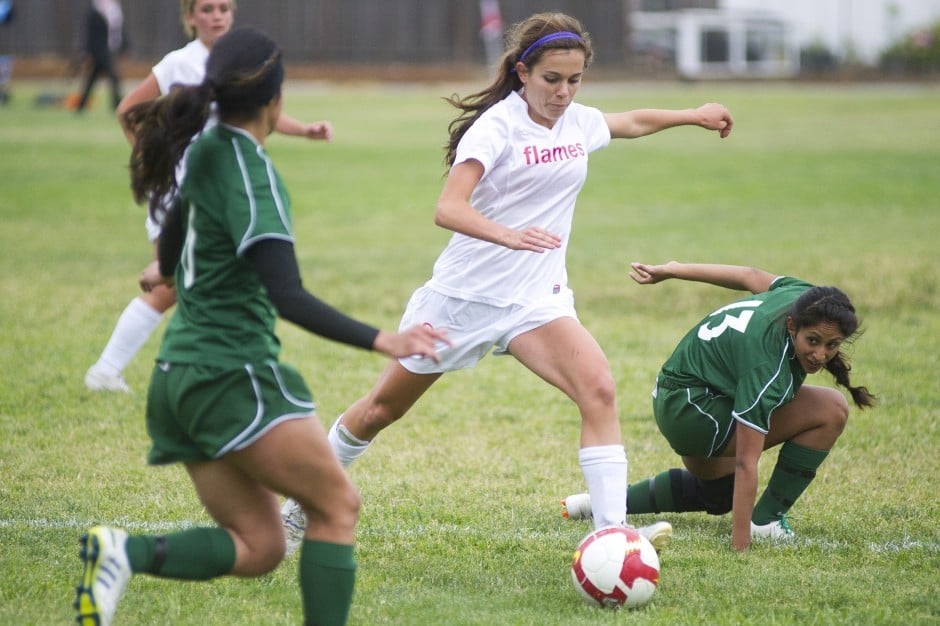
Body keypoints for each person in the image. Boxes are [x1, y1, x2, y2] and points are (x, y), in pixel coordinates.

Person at [279, 12, 734, 556]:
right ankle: (302, 502)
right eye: (552, 80)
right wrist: (508, 235)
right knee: (381, 409)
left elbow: (631, 121)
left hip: (535, 302)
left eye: (575, 80)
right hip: (464, 299)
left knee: (598, 388)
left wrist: (694, 115)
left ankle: (611, 533)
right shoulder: (497, 127)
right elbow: (448, 208)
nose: (563, 93)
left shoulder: (576, 122)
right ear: (523, 72)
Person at [73, 26, 448, 626]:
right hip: (229, 375)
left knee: (262, 545)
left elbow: (176, 221)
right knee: (337, 507)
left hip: (176, 378)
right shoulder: (254, 174)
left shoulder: (206, 146)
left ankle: (123, 552)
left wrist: (164, 267)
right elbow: (286, 294)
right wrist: (385, 339)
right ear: (275, 97)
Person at [85, 0, 334, 392]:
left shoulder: (235, 62)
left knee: (201, 282)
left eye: (223, 8)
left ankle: (205, 370)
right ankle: (107, 369)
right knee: (170, 285)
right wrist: (157, 160)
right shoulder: (177, 64)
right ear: (189, 17)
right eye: (206, 9)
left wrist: (304, 130)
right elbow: (128, 111)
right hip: (183, 191)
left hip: (218, 191)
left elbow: (260, 110)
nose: (216, 16)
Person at [561, 261, 875, 551]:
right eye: (813, 341)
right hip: (695, 411)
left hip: (678, 400)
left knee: (720, 493)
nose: (820, 355)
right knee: (831, 409)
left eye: (832, 345)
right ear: (792, 325)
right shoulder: (767, 365)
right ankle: (765, 522)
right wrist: (741, 547)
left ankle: (601, 504)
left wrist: (674, 269)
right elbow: (746, 462)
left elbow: (749, 276)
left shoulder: (802, 298)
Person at [76, 0, 126, 112]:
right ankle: (117, 104)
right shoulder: (94, 11)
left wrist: (125, 46)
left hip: (108, 50)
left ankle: (81, 105)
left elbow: (119, 31)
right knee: (114, 78)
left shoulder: (114, 10)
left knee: (92, 80)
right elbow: (88, 33)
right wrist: (85, 51)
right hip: (98, 51)